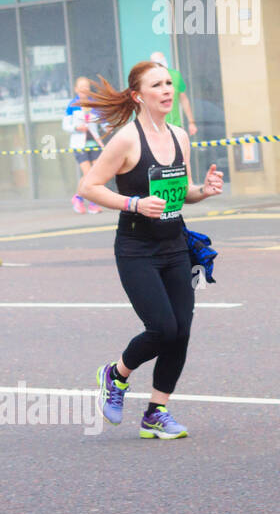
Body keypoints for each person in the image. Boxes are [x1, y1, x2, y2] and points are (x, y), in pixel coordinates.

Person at [80, 61, 224, 438]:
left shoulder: (179, 135)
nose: (166, 90)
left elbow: (184, 194)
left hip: (175, 244)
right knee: (162, 327)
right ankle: (115, 375)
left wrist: (203, 191)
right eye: (156, 85)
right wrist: (134, 204)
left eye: (168, 83)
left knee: (182, 330)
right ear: (137, 95)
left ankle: (156, 412)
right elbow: (89, 186)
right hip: (136, 247)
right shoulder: (126, 139)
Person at [64, 76, 105, 214]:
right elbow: (65, 125)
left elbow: (102, 121)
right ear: (76, 89)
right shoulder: (72, 105)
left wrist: (108, 126)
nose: (84, 90)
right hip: (79, 144)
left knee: (96, 174)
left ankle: (79, 198)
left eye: (86, 87)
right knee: (88, 173)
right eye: (81, 88)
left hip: (94, 142)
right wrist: (77, 128)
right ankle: (90, 202)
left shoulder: (94, 104)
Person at [150, 52, 197, 137]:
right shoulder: (149, 78)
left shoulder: (175, 75)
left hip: (176, 125)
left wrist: (191, 122)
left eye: (161, 61)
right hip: (157, 127)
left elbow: (183, 99)